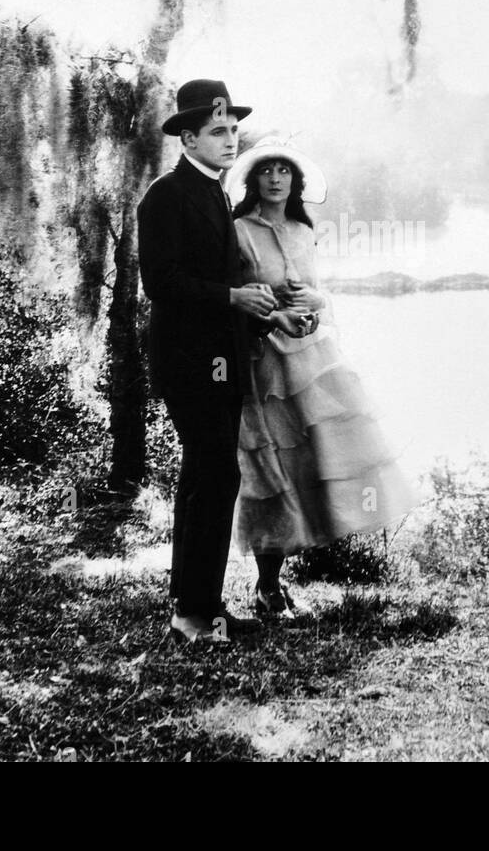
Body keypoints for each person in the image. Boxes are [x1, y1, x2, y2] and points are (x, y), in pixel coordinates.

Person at [226, 136, 420, 616]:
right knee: (272, 465)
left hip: (310, 361)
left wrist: (315, 303)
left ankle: (295, 571)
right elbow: (231, 297)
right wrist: (271, 313)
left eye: (283, 171)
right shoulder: (239, 231)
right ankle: (267, 586)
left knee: (318, 458)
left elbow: (315, 292)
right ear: (252, 180)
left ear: (295, 181)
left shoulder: (302, 230)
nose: (275, 179)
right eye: (266, 171)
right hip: (263, 362)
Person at [136, 80, 285, 645]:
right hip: (189, 363)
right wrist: (232, 297)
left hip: (222, 361)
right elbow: (161, 283)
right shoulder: (167, 195)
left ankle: (200, 606)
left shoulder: (216, 194)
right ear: (189, 139)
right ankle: (191, 614)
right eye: (218, 131)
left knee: (211, 478)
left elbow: (224, 288)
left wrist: (268, 314)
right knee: (212, 476)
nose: (230, 141)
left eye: (233, 131)